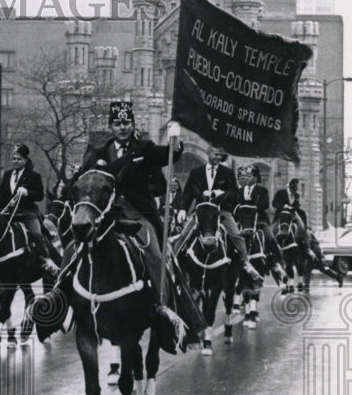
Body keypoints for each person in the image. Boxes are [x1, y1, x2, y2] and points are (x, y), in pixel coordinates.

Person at [69, 101, 184, 291]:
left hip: (137, 215)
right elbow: (82, 182)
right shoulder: (99, 153)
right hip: (104, 218)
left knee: (154, 255)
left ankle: (163, 302)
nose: (122, 127)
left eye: (126, 123)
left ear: (133, 125)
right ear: (110, 127)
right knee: (72, 253)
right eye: (117, 124)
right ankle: (62, 297)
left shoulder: (144, 148)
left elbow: (169, 155)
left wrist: (175, 140)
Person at [174, 147, 260, 280]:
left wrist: (222, 193)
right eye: (215, 154)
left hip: (221, 210)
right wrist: (183, 209)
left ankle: (246, 263)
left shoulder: (227, 172)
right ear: (208, 154)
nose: (218, 157)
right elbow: (188, 192)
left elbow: (234, 192)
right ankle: (172, 260)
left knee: (236, 235)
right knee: (184, 234)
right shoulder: (196, 172)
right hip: (201, 211)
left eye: (220, 155)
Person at [0, 143, 58, 276]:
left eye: (19, 159)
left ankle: (46, 259)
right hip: (8, 213)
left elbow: (40, 196)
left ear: (25, 160)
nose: (16, 161)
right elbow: (1, 195)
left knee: (36, 234)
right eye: (14, 158)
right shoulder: (7, 175)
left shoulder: (33, 175)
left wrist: (27, 192)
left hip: (27, 212)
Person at [236, 164, 286, 278]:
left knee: (271, 237)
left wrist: (250, 207)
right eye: (245, 176)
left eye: (249, 176)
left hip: (259, 220)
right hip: (243, 220)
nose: (247, 178)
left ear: (255, 178)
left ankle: (276, 262)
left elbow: (265, 204)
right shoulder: (240, 190)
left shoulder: (262, 190)